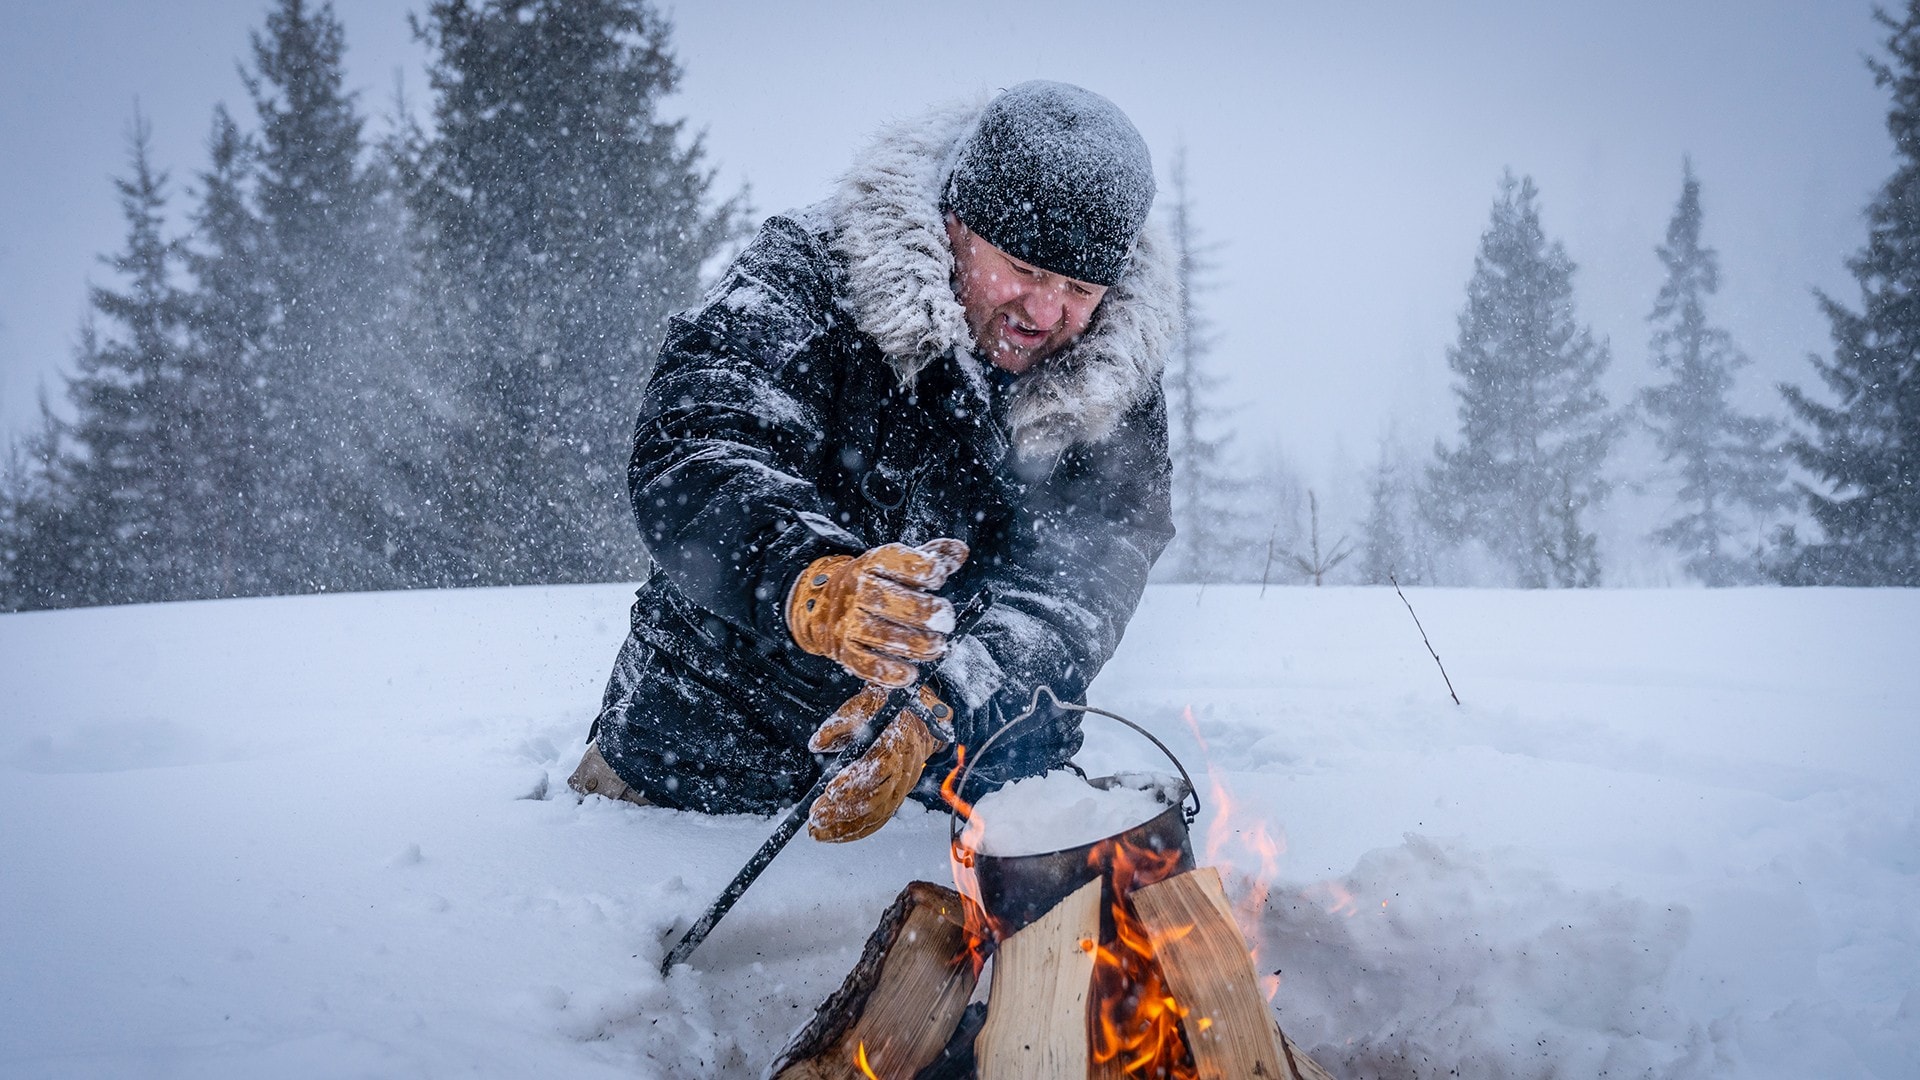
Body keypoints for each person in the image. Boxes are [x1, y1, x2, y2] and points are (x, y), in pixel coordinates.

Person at [569, 81, 1178, 841]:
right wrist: (811, 582)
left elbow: (1083, 579)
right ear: (958, 223)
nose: (1046, 313)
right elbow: (697, 447)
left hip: (963, 819)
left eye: (1079, 289)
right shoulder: (807, 276)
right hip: (695, 782)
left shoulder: (1112, 372)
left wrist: (943, 698)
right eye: (1022, 270)